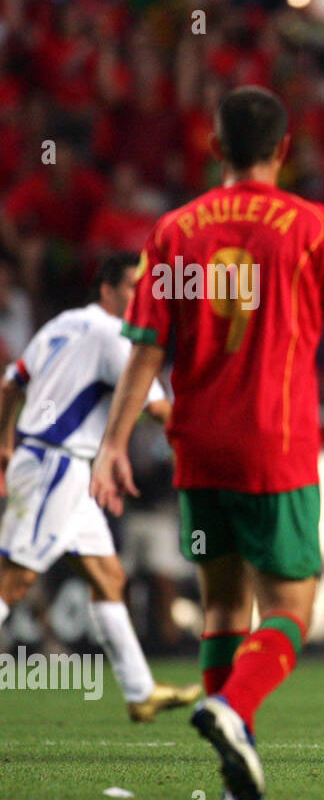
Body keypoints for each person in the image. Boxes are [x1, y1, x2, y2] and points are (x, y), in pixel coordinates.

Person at [89, 86, 324, 800]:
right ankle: (235, 711)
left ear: (215, 148)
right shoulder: (312, 227)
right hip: (273, 445)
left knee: (220, 609)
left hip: (196, 445)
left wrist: (113, 442)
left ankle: (234, 759)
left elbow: (144, 353)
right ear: (283, 150)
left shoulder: (173, 231)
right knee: (290, 607)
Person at [0, 252, 198, 722]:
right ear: (107, 291)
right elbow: (158, 409)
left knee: (109, 577)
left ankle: (140, 691)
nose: (141, 297)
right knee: (15, 580)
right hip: (57, 465)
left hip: (56, 463)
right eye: (133, 287)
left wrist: (5, 445)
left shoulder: (60, 324)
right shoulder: (116, 335)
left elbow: (11, 385)